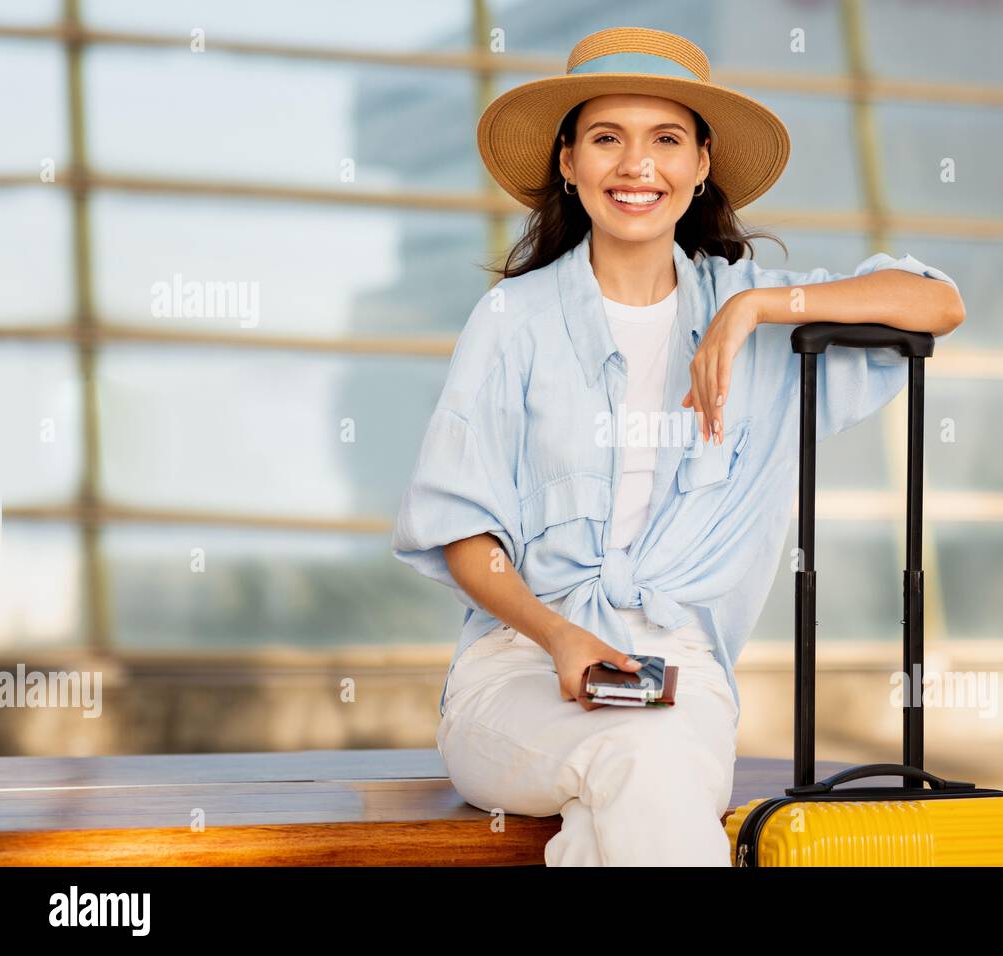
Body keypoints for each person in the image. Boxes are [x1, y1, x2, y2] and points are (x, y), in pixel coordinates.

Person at [391, 27, 965, 866]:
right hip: (517, 671)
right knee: (645, 762)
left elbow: (938, 302)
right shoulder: (513, 320)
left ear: (701, 165)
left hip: (681, 674)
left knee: (638, 777)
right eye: (606, 139)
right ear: (568, 162)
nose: (637, 166)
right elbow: (464, 532)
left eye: (665, 140)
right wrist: (560, 638)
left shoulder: (756, 317)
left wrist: (758, 308)